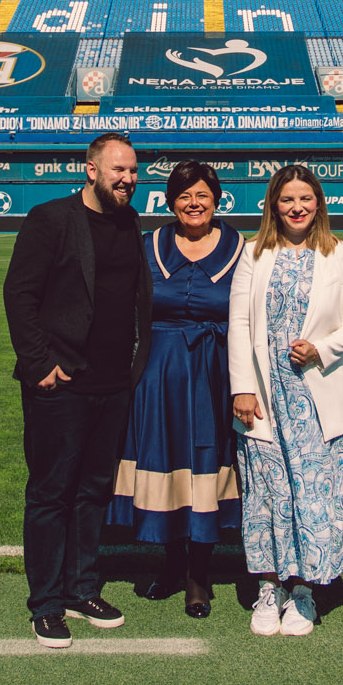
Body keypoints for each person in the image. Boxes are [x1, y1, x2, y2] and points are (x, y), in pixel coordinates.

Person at [2, 133, 152, 649]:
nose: (128, 179)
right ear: (91, 170)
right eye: (118, 170)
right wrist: (39, 363)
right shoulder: (51, 218)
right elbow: (19, 293)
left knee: (93, 492)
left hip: (113, 383)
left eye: (133, 170)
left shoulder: (130, 221)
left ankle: (81, 589)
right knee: (51, 494)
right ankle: (45, 604)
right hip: (61, 385)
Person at [228, 164, 343, 637]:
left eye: (305, 198)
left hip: (316, 397)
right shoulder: (254, 254)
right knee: (268, 495)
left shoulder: (341, 254)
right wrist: (242, 387)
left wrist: (321, 349)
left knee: (313, 496)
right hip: (266, 398)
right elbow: (239, 324)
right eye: (287, 199)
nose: (297, 207)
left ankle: (306, 590)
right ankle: (270, 587)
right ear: (274, 204)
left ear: (318, 203)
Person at [108, 161, 243, 619]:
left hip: (215, 374)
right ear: (170, 202)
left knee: (205, 466)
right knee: (164, 465)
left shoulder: (242, 249)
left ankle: (198, 575)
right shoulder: (148, 245)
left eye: (202, 194)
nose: (194, 203)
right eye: (184, 196)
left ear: (217, 199)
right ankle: (170, 563)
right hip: (158, 373)